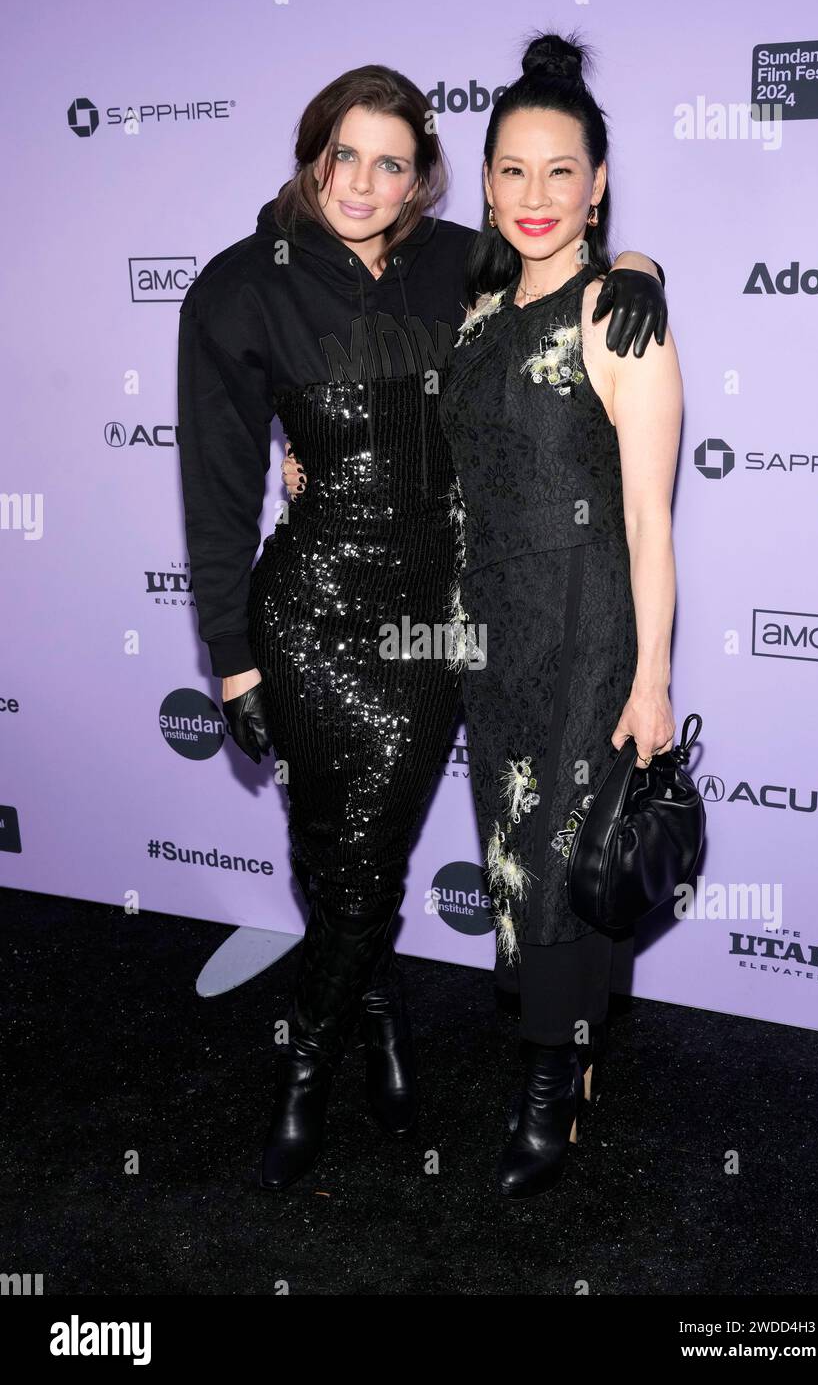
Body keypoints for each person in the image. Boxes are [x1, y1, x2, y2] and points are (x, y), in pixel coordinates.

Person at [177, 60, 668, 1192]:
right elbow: (213, 490)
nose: (362, 180)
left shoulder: (460, 261)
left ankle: (351, 1039)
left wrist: (644, 263)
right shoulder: (238, 287)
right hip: (305, 617)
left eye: (389, 162)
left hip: (440, 624)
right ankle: (345, 1049)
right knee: (340, 852)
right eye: (342, 154)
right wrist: (234, 659)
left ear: (420, 182)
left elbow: (569, 274)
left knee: (365, 849)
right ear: (310, 156)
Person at [436, 30, 683, 1200]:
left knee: (555, 857)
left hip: (588, 628)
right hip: (491, 631)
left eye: (560, 172)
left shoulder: (618, 315)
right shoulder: (475, 310)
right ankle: (571, 1047)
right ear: (484, 181)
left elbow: (648, 516)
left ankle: (549, 1081)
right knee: (513, 855)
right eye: (511, 171)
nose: (534, 196)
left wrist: (651, 677)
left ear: (596, 184)